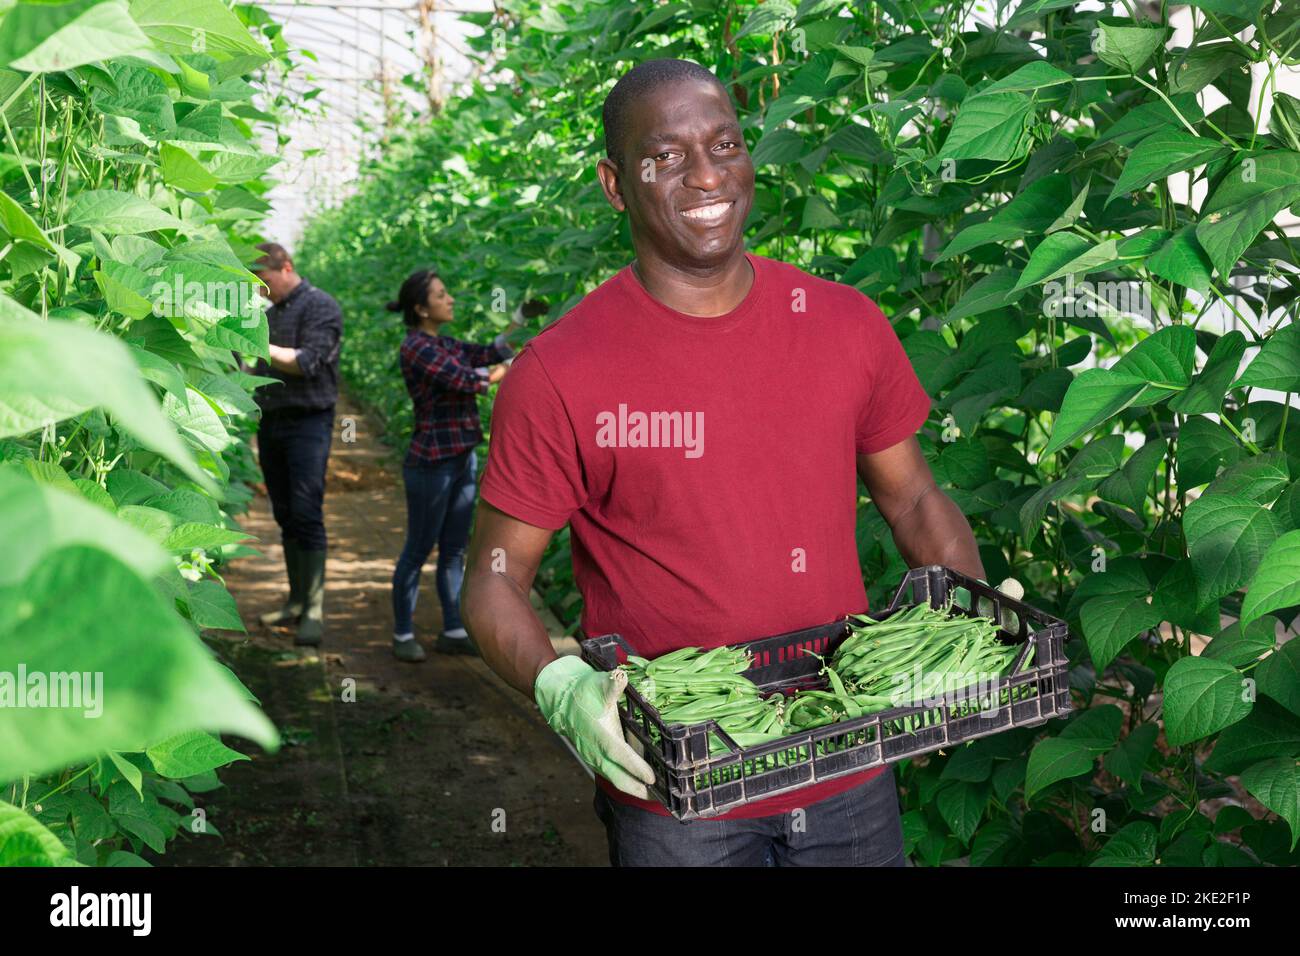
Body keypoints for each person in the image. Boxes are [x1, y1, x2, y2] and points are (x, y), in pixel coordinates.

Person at [462, 59, 1017, 867]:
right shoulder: (561, 372)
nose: (705, 174)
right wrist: (559, 686)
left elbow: (915, 502)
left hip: (845, 760)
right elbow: (494, 577)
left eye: (724, 144)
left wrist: (963, 627)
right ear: (615, 186)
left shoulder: (843, 324)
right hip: (678, 784)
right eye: (666, 157)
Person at [387, 269, 534, 662]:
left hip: (461, 458)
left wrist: (520, 318)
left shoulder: (443, 342)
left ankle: (452, 629)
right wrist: (525, 359)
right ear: (421, 309)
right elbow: (472, 380)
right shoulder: (417, 348)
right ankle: (403, 633)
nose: (449, 299)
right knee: (418, 549)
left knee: (454, 549)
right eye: (440, 295)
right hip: (430, 464)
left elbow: (489, 352)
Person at [250, 242, 343, 647]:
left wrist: (254, 341)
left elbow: (307, 362)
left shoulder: (322, 306)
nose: (260, 291)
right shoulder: (267, 313)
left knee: (306, 511)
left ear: (286, 268)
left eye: (264, 281)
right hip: (271, 420)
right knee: (284, 511)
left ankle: (315, 610)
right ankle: (295, 599)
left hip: (308, 422)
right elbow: (248, 367)